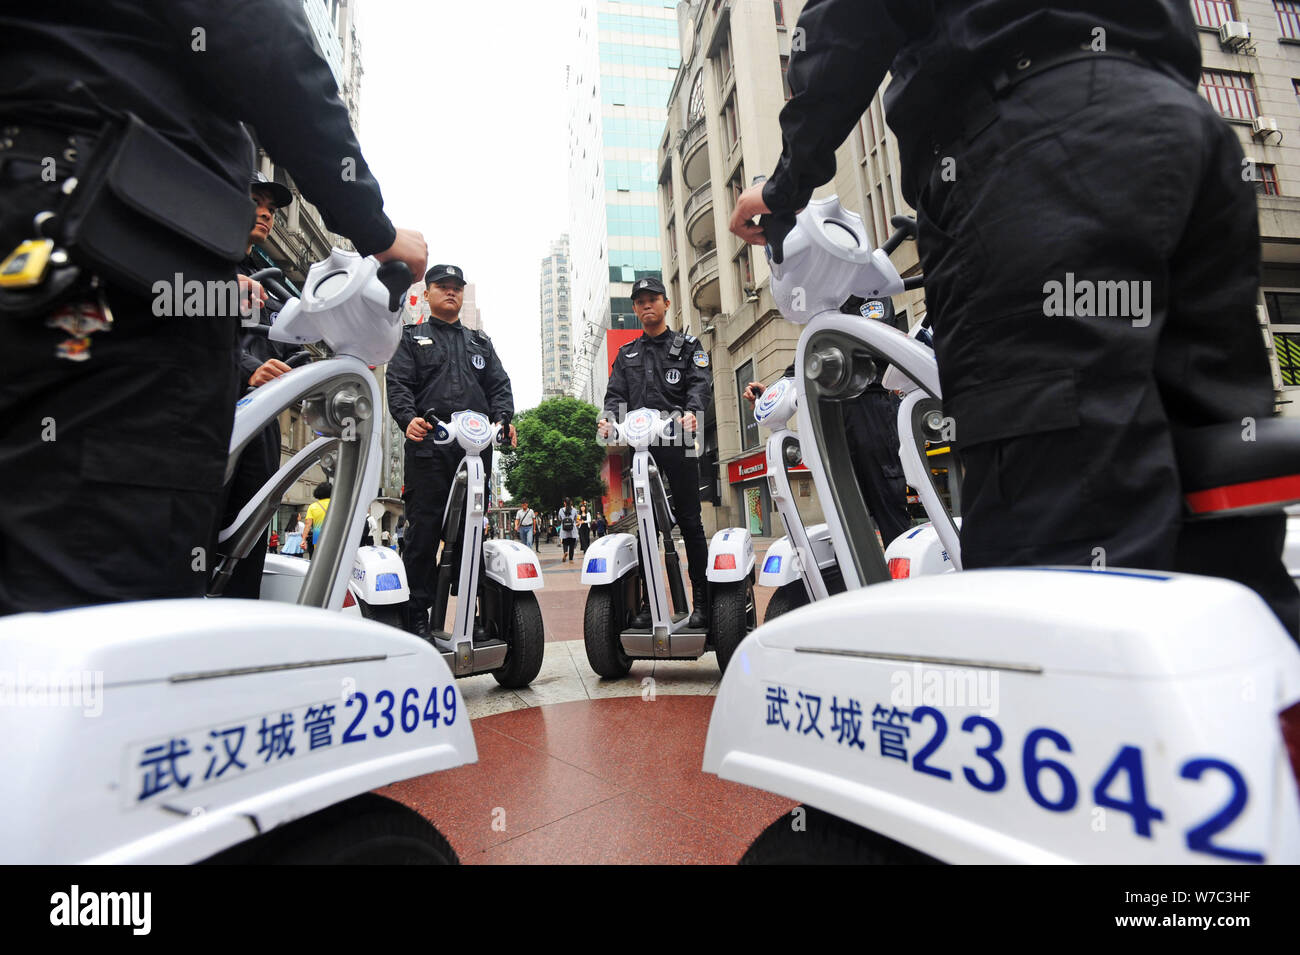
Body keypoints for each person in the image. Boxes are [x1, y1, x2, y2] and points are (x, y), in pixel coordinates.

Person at [728, 1, 1297, 639]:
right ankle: (1259, 672)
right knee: (1223, 481)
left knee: (1053, 515)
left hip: (1032, 148)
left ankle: (1079, 688)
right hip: (1181, 126)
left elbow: (848, 19)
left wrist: (785, 184)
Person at [0, 2, 428, 616]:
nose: (264, 213)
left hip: (45, 223)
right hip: (112, 242)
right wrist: (375, 228)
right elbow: (266, 43)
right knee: (108, 573)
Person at [387, 264, 516, 637]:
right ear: (426, 294)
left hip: (474, 450)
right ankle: (417, 617)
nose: (450, 292)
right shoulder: (411, 338)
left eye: (456, 287)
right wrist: (407, 419)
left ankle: (475, 616)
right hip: (429, 446)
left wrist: (503, 420)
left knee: (472, 531)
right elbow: (398, 383)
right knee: (423, 532)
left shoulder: (480, 343)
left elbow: (499, 386)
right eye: (442, 286)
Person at [743, 296, 913, 548]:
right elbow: (802, 363)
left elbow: (872, 343)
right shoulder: (821, 305)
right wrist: (773, 392)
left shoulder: (868, 291)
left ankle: (902, 565)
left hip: (867, 404)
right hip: (830, 412)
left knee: (887, 501)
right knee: (844, 511)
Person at [598, 277, 712, 628]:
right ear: (635, 308)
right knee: (645, 524)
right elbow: (615, 395)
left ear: (665, 303)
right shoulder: (626, 354)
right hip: (641, 449)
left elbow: (700, 385)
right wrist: (609, 421)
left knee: (690, 521)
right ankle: (650, 604)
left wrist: (692, 412)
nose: (647, 305)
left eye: (653, 299)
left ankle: (704, 603)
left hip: (678, 441)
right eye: (640, 301)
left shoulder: (688, 346)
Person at [214, 173, 297, 599]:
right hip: (215, 412)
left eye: (272, 208)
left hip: (264, 417)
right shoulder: (199, 266)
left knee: (252, 523)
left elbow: (293, 343)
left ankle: (241, 616)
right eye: (256, 201)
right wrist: (248, 369)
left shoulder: (271, 283)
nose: (265, 213)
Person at [304, 482, 330, 560]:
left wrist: (303, 539)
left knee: (320, 559)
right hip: (335, 536)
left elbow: (308, 525)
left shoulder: (313, 506)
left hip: (318, 537)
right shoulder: (337, 504)